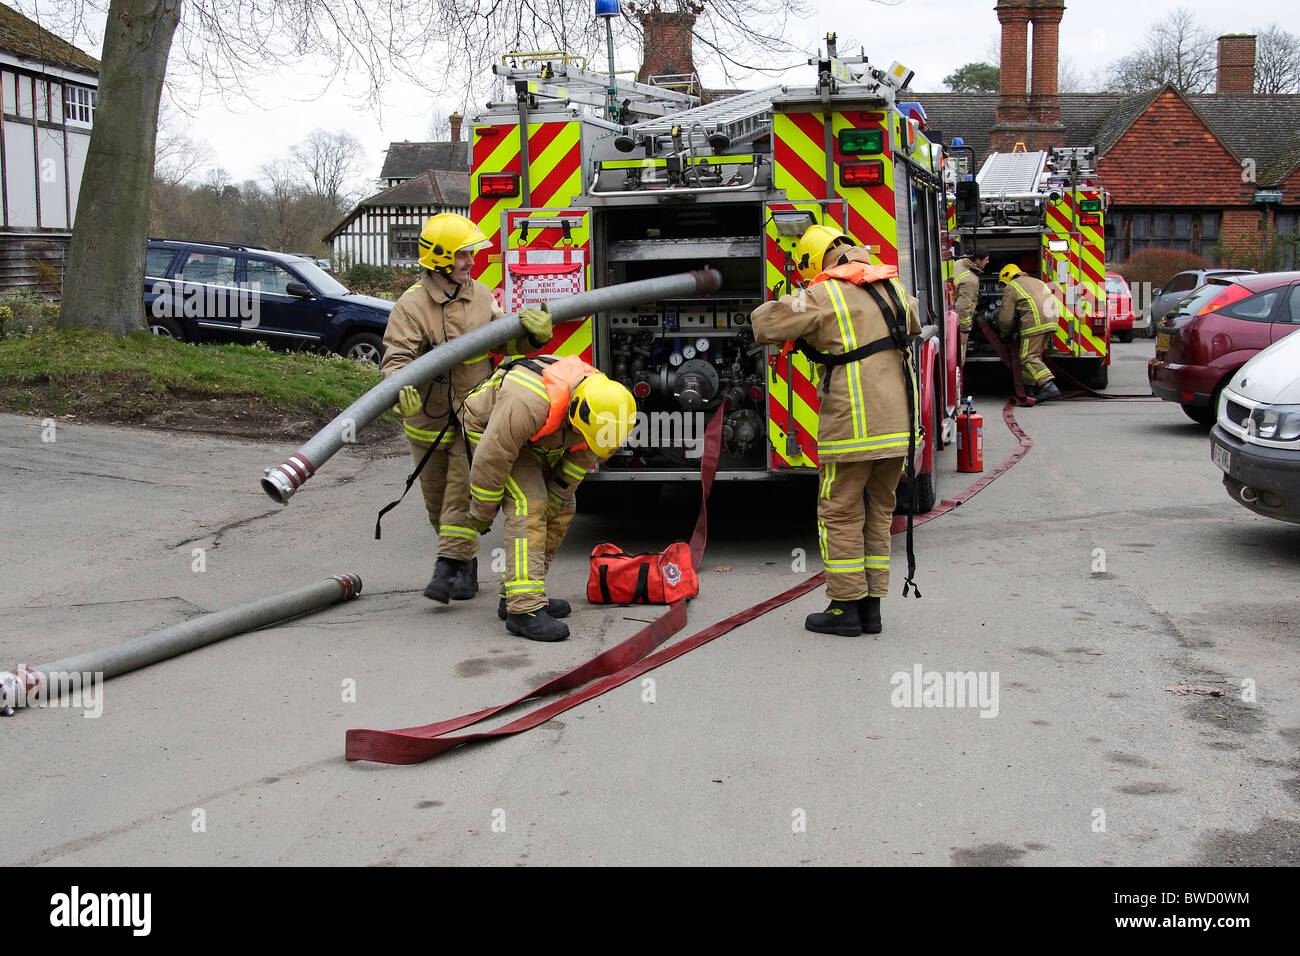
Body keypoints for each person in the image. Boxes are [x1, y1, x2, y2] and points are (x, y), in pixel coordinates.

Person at [751, 224, 921, 637]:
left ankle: (844, 609)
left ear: (818, 262)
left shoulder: (822, 294)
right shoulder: (895, 288)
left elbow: (764, 325)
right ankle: (872, 610)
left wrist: (792, 303)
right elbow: (913, 325)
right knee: (879, 514)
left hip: (854, 428)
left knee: (840, 514)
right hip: (898, 427)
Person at [381, 213, 553, 604]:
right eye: (462, 256)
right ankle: (466, 564)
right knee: (436, 501)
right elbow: (396, 359)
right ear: (439, 259)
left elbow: (503, 342)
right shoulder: (410, 306)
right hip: (426, 422)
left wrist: (531, 337)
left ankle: (446, 570)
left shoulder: (481, 295)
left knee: (461, 491)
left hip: (473, 416)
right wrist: (397, 391)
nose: (469, 263)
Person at [459, 354, 637, 642]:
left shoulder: (600, 407)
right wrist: (482, 512)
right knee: (528, 504)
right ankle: (523, 611)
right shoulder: (526, 401)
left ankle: (521, 594)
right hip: (490, 428)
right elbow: (492, 458)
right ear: (576, 416)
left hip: (535, 437)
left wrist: (559, 495)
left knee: (564, 505)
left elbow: (581, 454)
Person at [997, 264, 1060, 402]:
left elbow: (1006, 319)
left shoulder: (1011, 286)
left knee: (1027, 356)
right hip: (1052, 320)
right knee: (1035, 356)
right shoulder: (1038, 281)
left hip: (1034, 323)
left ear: (1007, 277)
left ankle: (1048, 384)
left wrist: (1004, 333)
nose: (1003, 286)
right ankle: (1029, 388)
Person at [952, 249, 989, 368]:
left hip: (953, 321)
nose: (988, 262)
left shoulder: (959, 264)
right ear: (978, 260)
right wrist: (964, 331)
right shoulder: (970, 280)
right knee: (960, 359)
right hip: (959, 327)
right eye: (986, 260)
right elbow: (963, 307)